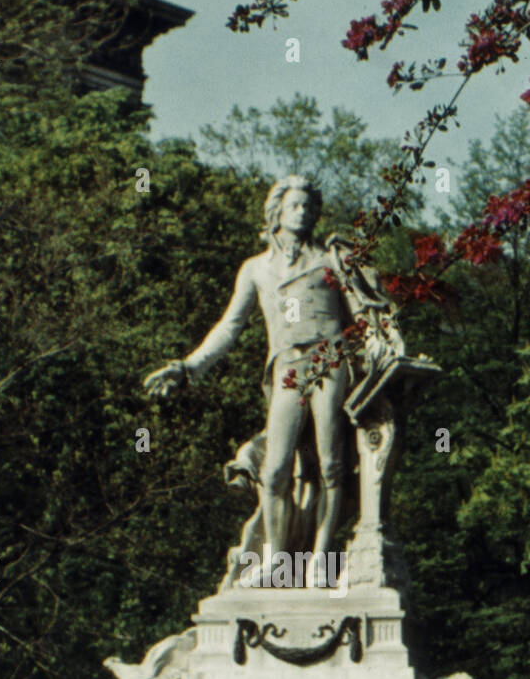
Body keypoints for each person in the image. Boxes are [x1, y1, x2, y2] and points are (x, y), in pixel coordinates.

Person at [144, 175, 403, 578]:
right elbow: (229, 327)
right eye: (295, 206)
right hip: (287, 368)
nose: (303, 213)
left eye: (309, 207)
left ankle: (320, 559)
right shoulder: (256, 269)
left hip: (329, 362)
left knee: (331, 463)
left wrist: (376, 342)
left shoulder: (331, 260)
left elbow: (364, 313)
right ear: (277, 211)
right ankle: (278, 563)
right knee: (275, 468)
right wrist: (189, 367)